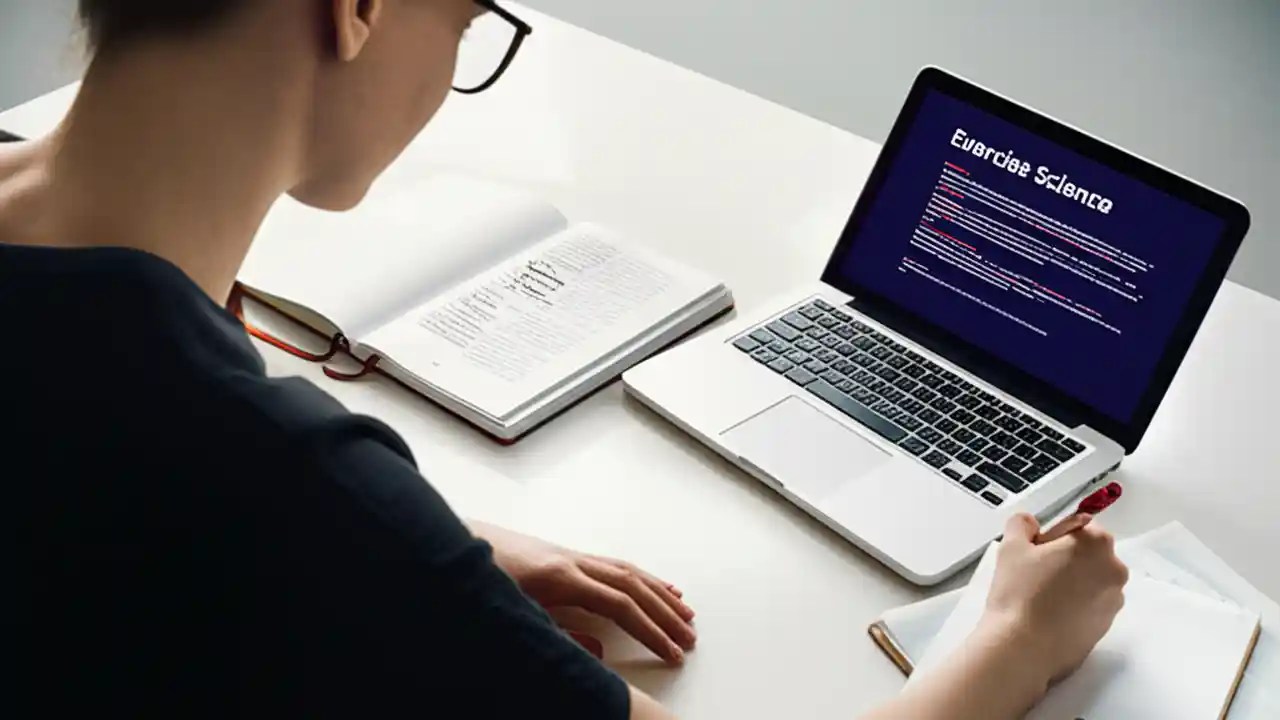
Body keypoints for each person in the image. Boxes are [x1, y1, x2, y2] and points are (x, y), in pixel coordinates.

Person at [0, 1, 1128, 717]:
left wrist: (443, 549)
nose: (448, 73)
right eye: (462, 24)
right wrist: (1013, 642)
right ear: (355, 9)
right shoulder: (276, 486)